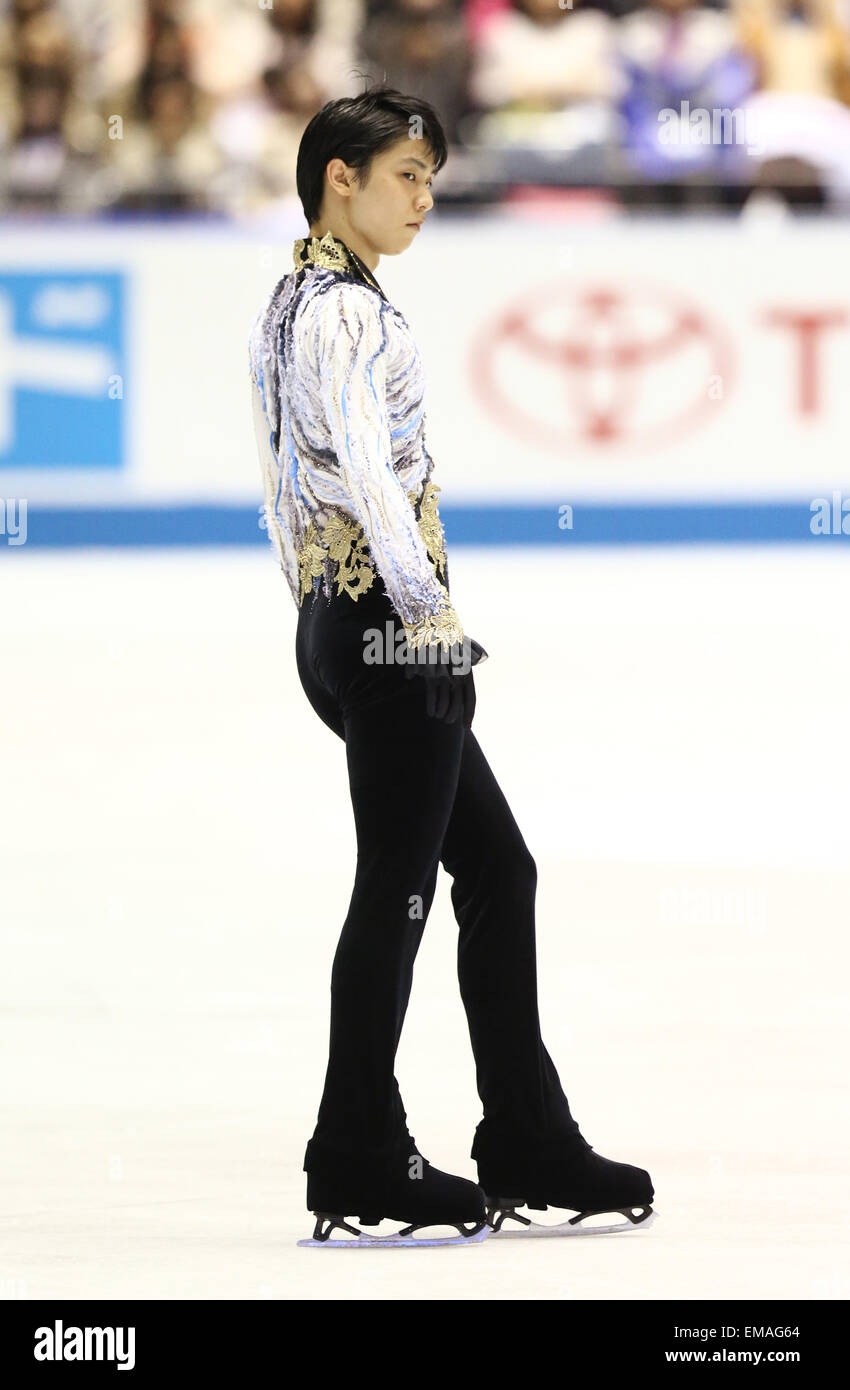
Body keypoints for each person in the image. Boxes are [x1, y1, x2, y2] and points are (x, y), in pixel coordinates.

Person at [249, 84, 656, 1247]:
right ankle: (360, 1155)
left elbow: (280, 482)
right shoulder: (343, 316)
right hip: (392, 627)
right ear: (340, 177)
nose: (425, 197)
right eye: (405, 176)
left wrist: (322, 615)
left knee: (496, 872)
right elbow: (372, 483)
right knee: (400, 891)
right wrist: (424, 620)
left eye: (429, 176)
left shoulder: (290, 304)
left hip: (342, 622)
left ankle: (523, 1134)